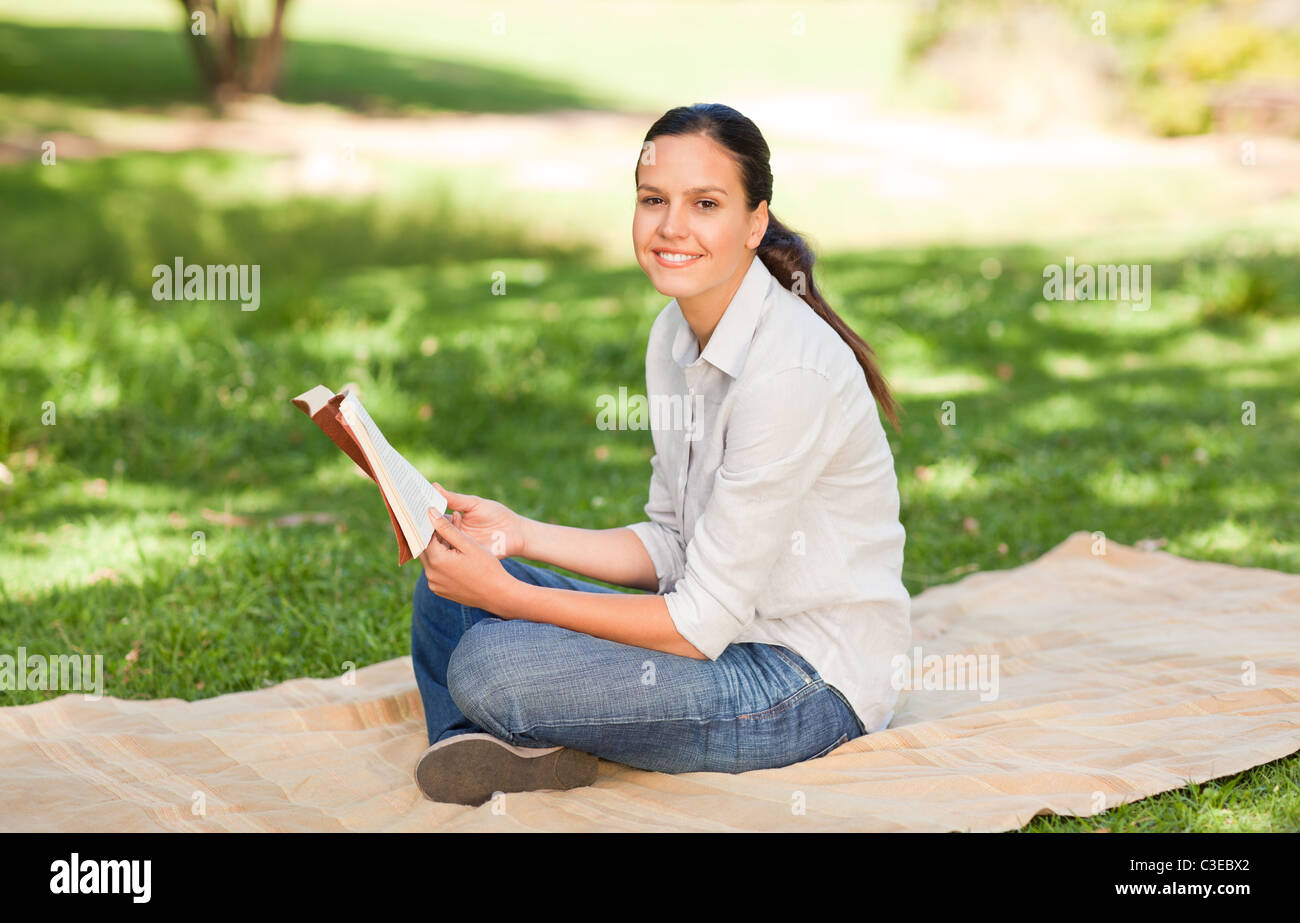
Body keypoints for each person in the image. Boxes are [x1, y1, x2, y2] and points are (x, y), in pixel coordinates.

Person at [410, 102, 910, 808]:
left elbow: (698, 620)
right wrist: (518, 535)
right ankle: (493, 746)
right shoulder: (672, 335)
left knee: (492, 661)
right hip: (714, 636)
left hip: (803, 683)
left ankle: (504, 721)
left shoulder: (788, 372)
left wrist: (513, 597)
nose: (671, 226)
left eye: (705, 203)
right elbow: (672, 543)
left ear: (754, 222)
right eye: (653, 200)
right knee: (445, 585)